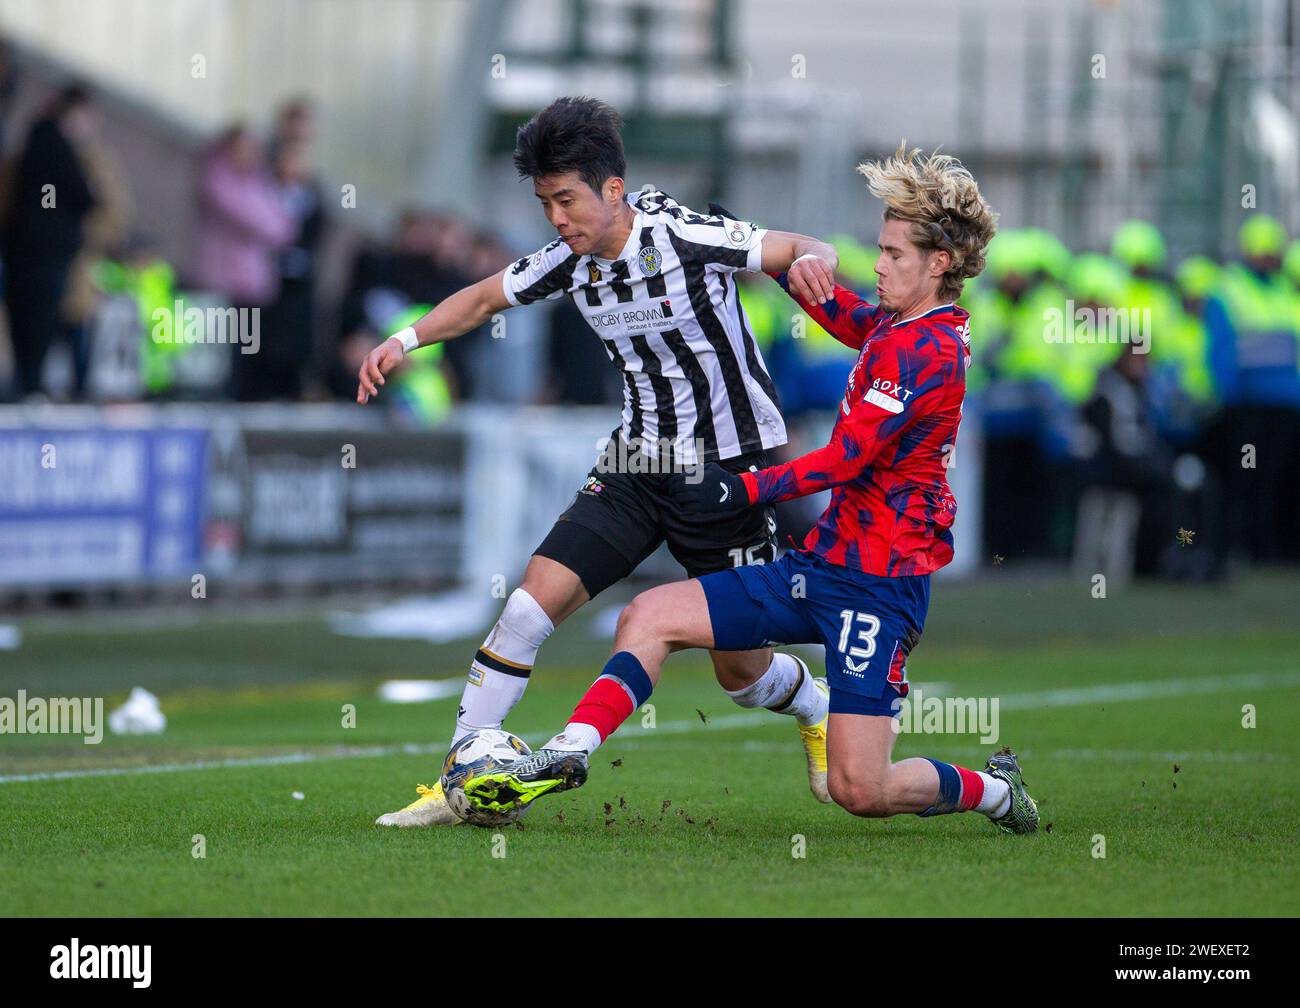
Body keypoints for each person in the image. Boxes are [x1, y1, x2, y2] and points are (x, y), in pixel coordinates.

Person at [464, 145, 1039, 836]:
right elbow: (847, 319)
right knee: (648, 617)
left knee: (860, 788)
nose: (878, 263)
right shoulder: (900, 324)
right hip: (821, 567)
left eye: (891, 252)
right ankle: (565, 755)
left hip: (879, 586)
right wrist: (765, 262)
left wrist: (743, 490)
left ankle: (992, 790)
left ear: (938, 263)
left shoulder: (928, 349)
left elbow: (847, 459)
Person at [357, 96, 840, 826]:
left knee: (739, 675)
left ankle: (813, 702)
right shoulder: (568, 263)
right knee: (524, 610)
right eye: (546, 201)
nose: (556, 218)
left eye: (566, 199)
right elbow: (486, 298)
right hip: (637, 461)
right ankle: (459, 783)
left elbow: (802, 246)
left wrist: (816, 267)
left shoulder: (682, 233)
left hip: (726, 472)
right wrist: (404, 341)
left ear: (613, 189)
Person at [2, 84, 99, 398]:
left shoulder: (33, 144)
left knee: (30, 322)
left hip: (26, 251)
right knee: (42, 322)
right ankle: (32, 389)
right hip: (45, 255)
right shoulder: (57, 146)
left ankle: (28, 385)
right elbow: (85, 196)